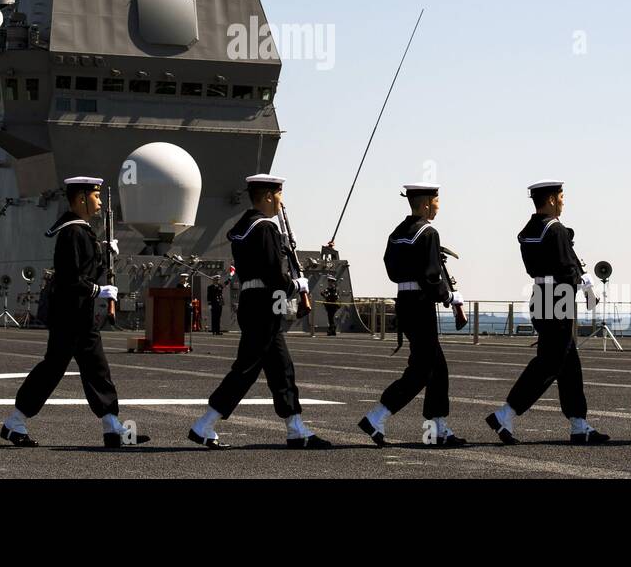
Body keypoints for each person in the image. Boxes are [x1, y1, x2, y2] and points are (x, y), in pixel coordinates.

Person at [2, 177, 149, 449]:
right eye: (96, 195)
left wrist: (103, 255)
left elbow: (83, 270)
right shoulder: (73, 233)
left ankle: (111, 425)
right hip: (69, 315)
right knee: (53, 368)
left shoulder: (81, 231)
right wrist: (98, 291)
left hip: (80, 315)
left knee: (97, 369)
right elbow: (70, 278)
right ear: (81, 198)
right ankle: (15, 421)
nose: (101, 201)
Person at [188, 174, 331, 450]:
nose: (280, 201)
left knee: (280, 368)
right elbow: (274, 275)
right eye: (278, 194)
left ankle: (295, 427)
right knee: (247, 369)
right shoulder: (265, 228)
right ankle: (204, 423)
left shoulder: (245, 227)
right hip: (266, 302)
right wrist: (296, 284)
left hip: (253, 300)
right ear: (267, 196)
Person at [486, 180, 608, 445]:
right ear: (552, 199)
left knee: (569, 362)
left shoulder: (528, 231)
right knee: (550, 362)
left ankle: (579, 424)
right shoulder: (556, 230)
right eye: (561, 197)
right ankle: (506, 413)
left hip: (540, 294)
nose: (564, 201)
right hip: (559, 297)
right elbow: (566, 269)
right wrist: (585, 286)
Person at [358, 183, 465, 448]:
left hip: (404, 300)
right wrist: (450, 297)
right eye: (437, 201)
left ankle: (437, 427)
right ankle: (378, 416)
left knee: (437, 368)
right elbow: (430, 277)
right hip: (420, 303)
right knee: (421, 370)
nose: (439, 206)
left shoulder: (397, 233)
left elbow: (391, 268)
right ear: (427, 203)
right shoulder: (428, 232)